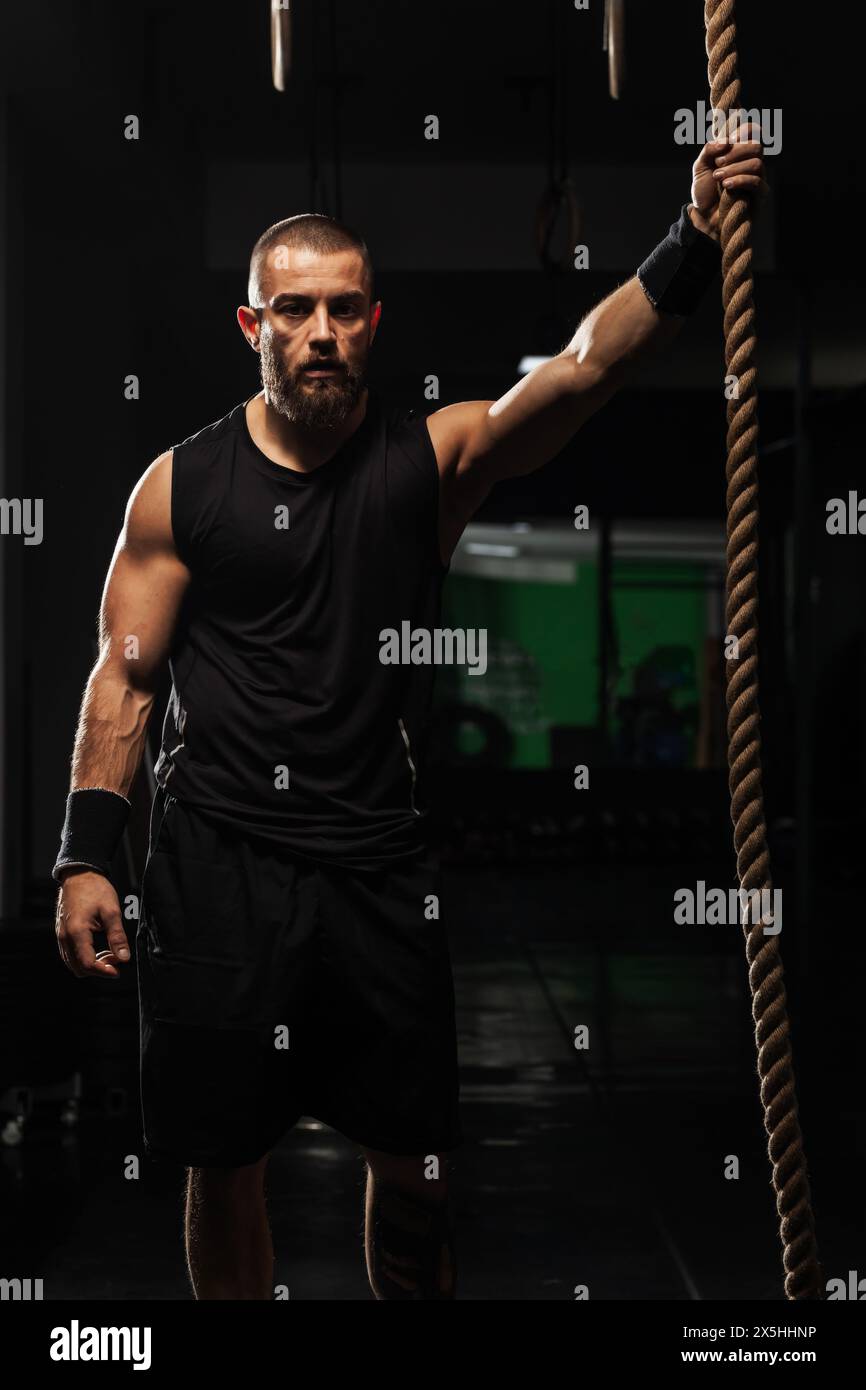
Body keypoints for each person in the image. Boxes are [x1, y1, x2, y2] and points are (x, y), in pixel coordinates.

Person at [51, 132, 766, 1300]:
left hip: (378, 870)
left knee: (418, 1171)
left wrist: (688, 237)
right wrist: (86, 851)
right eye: (292, 310)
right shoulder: (179, 487)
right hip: (217, 866)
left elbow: (579, 372)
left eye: (343, 309)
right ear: (253, 327)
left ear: (373, 323)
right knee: (222, 1164)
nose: (320, 331)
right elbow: (125, 676)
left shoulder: (429, 462)